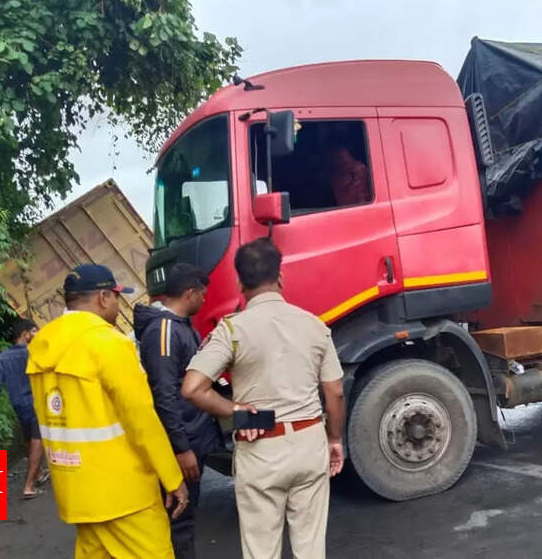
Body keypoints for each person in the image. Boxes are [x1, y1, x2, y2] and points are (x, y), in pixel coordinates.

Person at [182, 238, 346, 559]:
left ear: (240, 283)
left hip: (261, 450)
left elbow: (192, 387)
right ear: (280, 277)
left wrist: (237, 411)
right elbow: (335, 391)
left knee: (261, 551)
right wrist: (334, 439)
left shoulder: (232, 331)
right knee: (310, 548)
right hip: (308, 442)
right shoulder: (313, 325)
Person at [26, 264, 188, 558]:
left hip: (78, 494)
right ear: (103, 297)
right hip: (125, 495)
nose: (117, 304)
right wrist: (172, 478)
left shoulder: (42, 346)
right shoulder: (108, 344)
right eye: (115, 297)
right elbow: (141, 420)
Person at [133, 263, 223, 559]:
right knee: (178, 517)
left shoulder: (179, 328)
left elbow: (183, 374)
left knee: (186, 512)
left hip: (193, 436)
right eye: (203, 295)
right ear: (189, 294)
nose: (205, 300)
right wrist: (181, 448)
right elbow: (164, 394)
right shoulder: (163, 331)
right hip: (182, 443)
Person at [0, 318, 49, 499]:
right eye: (33, 332)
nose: (35, 335)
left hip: (18, 404)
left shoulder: (3, 357)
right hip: (36, 402)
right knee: (38, 439)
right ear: (25, 334)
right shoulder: (33, 353)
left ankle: (39, 473)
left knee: (29, 439)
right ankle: (29, 486)